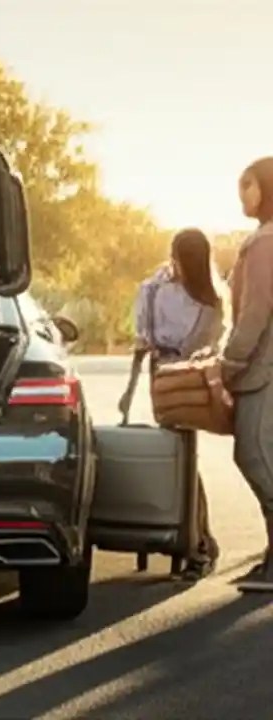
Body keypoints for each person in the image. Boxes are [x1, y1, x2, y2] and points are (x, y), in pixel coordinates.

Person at [119, 228, 226, 580]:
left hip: (178, 376)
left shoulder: (196, 297)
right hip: (171, 376)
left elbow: (196, 342)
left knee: (184, 456)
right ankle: (193, 541)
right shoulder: (170, 291)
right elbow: (152, 341)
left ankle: (198, 544)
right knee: (181, 457)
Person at [221, 156, 273, 592]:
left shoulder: (265, 244)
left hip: (264, 369)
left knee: (255, 457)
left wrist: (231, 361)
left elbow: (255, 310)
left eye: (248, 185)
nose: (242, 193)